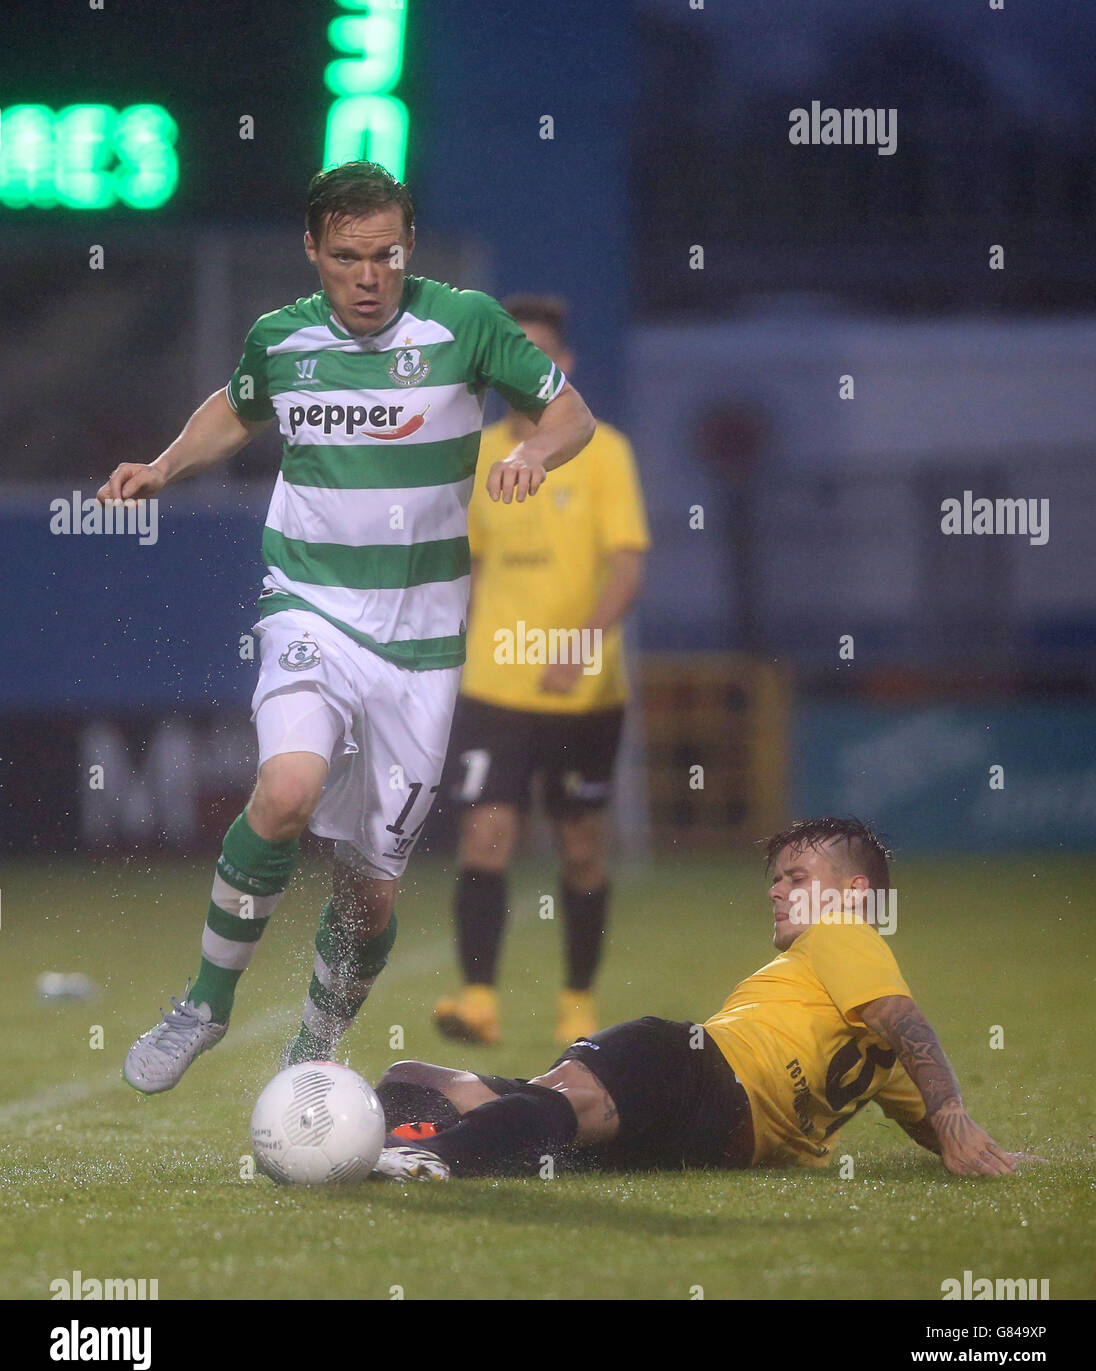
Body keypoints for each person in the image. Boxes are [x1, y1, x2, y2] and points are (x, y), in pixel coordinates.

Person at [101, 160, 595, 1094]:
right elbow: (239, 408)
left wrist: (533, 448)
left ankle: (316, 1046)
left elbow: (571, 414)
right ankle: (206, 1002)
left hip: (422, 648)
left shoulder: (466, 323)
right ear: (313, 252)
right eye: (346, 258)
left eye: (385, 255)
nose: (368, 277)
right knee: (286, 792)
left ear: (407, 246)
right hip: (311, 606)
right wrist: (164, 467)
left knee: (368, 897)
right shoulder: (282, 339)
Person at [370, 817, 1041, 1181]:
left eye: (796, 877)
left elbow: (908, 1031)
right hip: (699, 1107)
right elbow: (919, 1089)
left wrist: (959, 1127)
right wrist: (960, 1134)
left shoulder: (844, 933)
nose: (775, 891)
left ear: (854, 891)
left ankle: (409, 1147)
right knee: (530, 1107)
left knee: (555, 1111)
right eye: (774, 880)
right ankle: (405, 1143)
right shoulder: (855, 998)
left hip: (699, 1081)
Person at [434, 295, 649, 1048]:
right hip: (494, 685)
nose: (533, 370)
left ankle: (577, 1004)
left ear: (566, 367)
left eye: (546, 356)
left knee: (582, 844)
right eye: (516, 355)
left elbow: (626, 565)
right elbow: (460, 569)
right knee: (485, 835)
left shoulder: (606, 452)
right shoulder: (479, 455)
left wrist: (581, 646)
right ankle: (478, 998)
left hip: (582, 692)